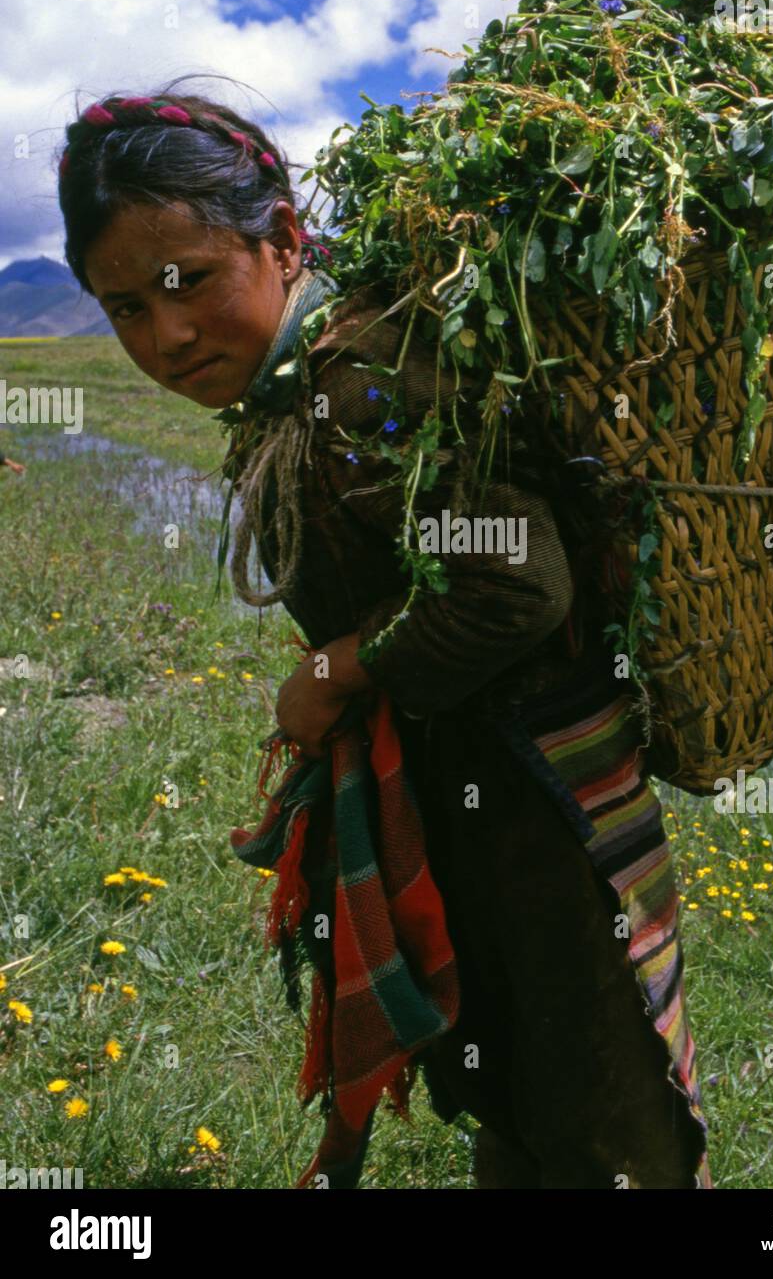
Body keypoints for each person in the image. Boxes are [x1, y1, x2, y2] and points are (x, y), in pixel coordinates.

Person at [57, 82, 712, 1190]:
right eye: (123, 308)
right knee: (517, 1076)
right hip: (472, 798)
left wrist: (333, 667)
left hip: (545, 811)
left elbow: (513, 582)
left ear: (281, 240)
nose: (162, 335)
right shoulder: (290, 391)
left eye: (189, 284)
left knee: (602, 1109)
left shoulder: (363, 379)